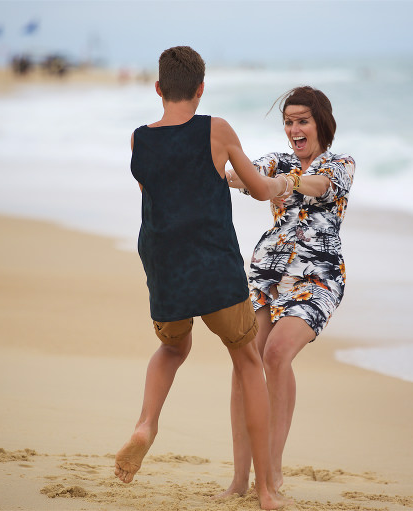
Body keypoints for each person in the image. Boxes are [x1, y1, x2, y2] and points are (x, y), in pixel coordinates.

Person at [113, 46, 292, 510]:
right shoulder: (216, 129)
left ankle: (145, 424)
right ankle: (267, 491)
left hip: (163, 263)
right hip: (213, 264)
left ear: (158, 89)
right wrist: (281, 185)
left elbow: (156, 194)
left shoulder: (139, 139)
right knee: (247, 360)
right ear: (201, 89)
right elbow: (257, 190)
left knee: (173, 348)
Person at [219, 86, 355, 497]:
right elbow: (244, 175)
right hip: (267, 274)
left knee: (275, 354)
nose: (294, 129)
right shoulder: (275, 159)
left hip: (317, 278)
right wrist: (218, 174)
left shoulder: (340, 164)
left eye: (302, 121)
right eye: (289, 122)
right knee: (245, 363)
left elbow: (316, 186)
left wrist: (285, 184)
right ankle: (241, 480)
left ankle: (271, 475)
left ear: (320, 124)